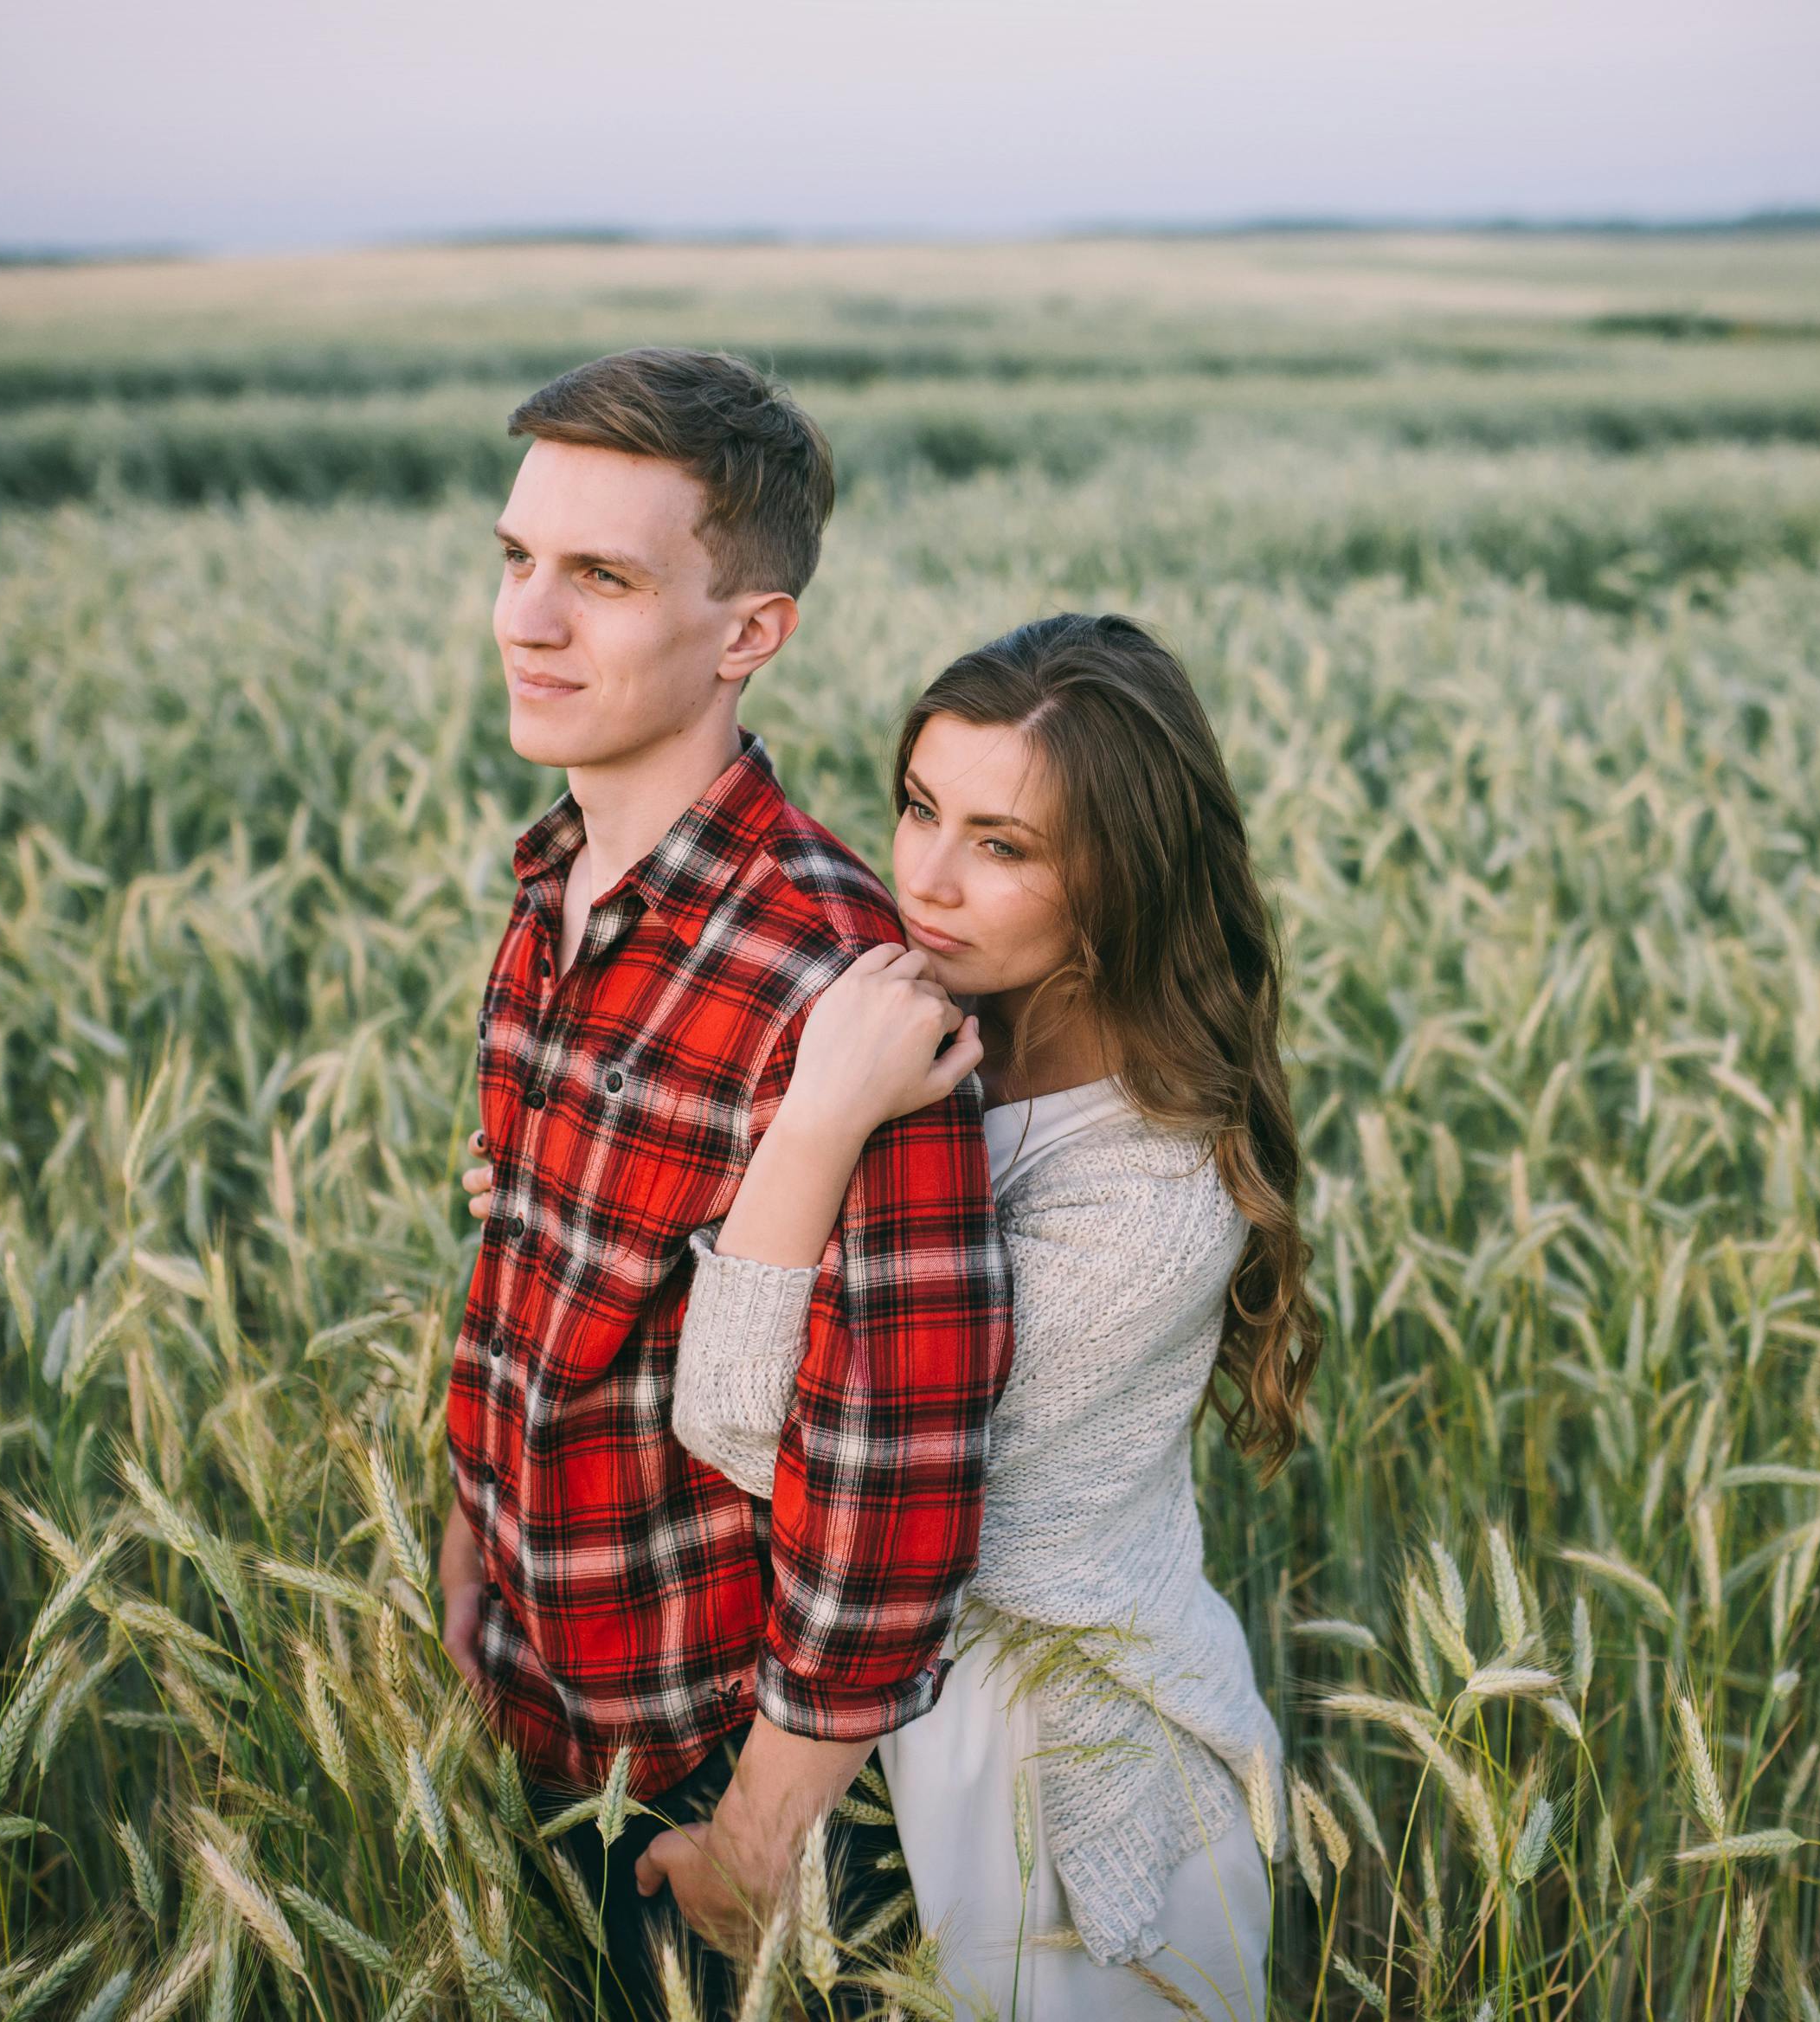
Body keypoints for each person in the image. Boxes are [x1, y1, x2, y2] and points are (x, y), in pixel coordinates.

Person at [466, 613, 1319, 2021]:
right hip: (867, 1712)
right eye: (921, 807)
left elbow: (750, 1433)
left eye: (1004, 844)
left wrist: (817, 1123)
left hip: (1060, 1779)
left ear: (1121, 876)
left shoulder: (1147, 1205)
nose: (924, 876)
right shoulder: (934, 1025)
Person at [439, 346, 1011, 2022]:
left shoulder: (842, 992)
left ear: (748, 632)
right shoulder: (556, 891)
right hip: (541, 1704)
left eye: (600, 578)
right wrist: (470, 1547)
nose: (526, 621)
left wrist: (762, 1833)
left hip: (717, 1776)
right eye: (514, 558)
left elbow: (890, 1477)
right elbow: (521, 1271)